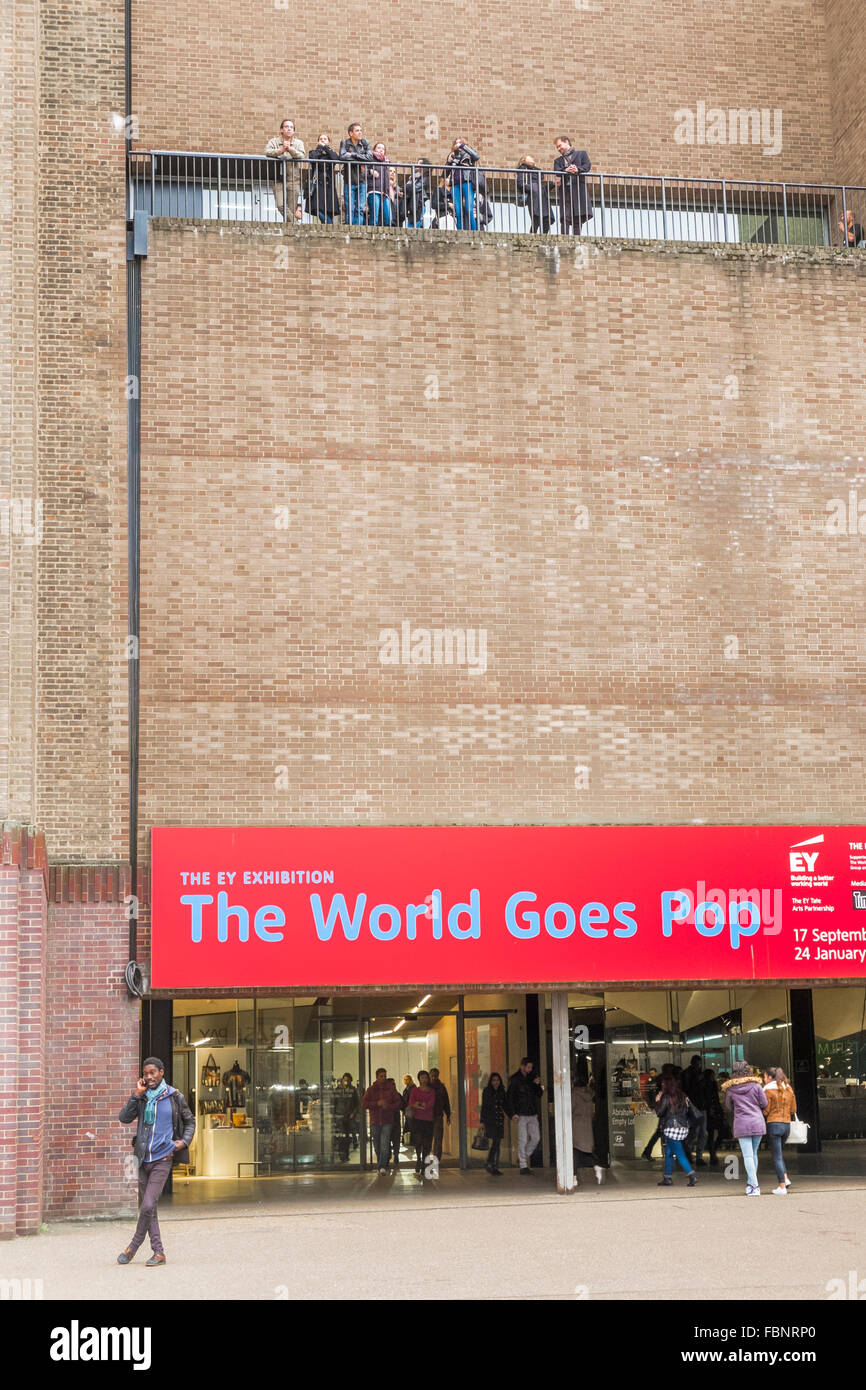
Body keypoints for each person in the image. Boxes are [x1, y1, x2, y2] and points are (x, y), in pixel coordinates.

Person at [117, 1057, 195, 1266]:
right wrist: (136, 1095)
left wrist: (183, 1142)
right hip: (142, 1158)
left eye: (153, 1073)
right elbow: (124, 1118)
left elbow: (189, 1121)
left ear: (161, 1072)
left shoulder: (174, 1096)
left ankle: (133, 1246)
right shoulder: (141, 1098)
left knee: (148, 1204)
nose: (149, 1077)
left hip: (163, 1157)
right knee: (149, 1208)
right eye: (146, 1073)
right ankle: (158, 1252)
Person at [722, 1060, 769, 1195]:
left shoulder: (730, 1089)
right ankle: (750, 1183)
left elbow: (729, 1106)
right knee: (753, 1154)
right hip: (757, 1122)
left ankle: (755, 1186)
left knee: (748, 1155)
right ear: (748, 1070)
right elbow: (764, 1103)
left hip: (742, 1123)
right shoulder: (756, 1086)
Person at [655, 1074, 697, 1187]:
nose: (662, 1085)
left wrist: (658, 1101)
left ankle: (691, 1175)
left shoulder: (666, 1097)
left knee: (680, 1154)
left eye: (663, 1084)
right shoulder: (682, 1095)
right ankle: (667, 1177)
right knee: (669, 1152)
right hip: (683, 1128)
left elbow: (659, 1113)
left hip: (671, 1129)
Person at [763, 1066, 796, 1194]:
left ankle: (782, 1187)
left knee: (776, 1156)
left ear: (770, 1077)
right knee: (779, 1154)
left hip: (774, 1124)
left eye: (765, 1076)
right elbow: (793, 1109)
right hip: (786, 1125)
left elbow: (766, 1110)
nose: (764, 1079)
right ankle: (786, 1178)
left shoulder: (768, 1090)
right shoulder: (789, 1089)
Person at [264, 119, 306, 222]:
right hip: (278, 178)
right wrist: (281, 150)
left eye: (291, 127)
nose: (289, 129)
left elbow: (302, 155)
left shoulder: (298, 143)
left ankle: (291, 229)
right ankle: (296, 225)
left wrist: (291, 150)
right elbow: (267, 152)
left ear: (294, 131)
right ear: (281, 130)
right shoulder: (274, 141)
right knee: (280, 205)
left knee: (291, 209)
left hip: (293, 179)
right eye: (286, 127)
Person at [507, 1057, 543, 1174]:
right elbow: (510, 1098)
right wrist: (513, 1114)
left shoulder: (532, 1078)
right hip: (521, 1113)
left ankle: (522, 1157)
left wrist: (537, 1084)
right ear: (522, 1066)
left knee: (536, 1138)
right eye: (528, 1067)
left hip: (533, 1112)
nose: (529, 1069)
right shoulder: (515, 1079)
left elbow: (539, 1094)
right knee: (522, 1139)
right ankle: (523, 1165)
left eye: (531, 1068)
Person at [362, 1068, 402, 1173]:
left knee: (385, 1143)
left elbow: (398, 1103)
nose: (383, 1078)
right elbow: (364, 1103)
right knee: (376, 1144)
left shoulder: (391, 1089)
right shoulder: (371, 1089)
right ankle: (382, 1161)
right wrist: (377, 1103)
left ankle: (382, 1166)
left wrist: (388, 1106)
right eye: (381, 1076)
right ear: (377, 1077)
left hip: (387, 1121)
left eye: (384, 1076)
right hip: (375, 1121)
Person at [571, 1060, 603, 1185]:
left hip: (575, 1125)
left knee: (574, 1151)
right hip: (587, 1126)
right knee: (584, 1151)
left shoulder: (573, 1094)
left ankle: (573, 1178)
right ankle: (596, 1166)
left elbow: (570, 1109)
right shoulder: (589, 1094)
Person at [553, 136, 592, 234]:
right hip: (565, 190)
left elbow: (587, 166)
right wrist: (565, 170)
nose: (558, 149)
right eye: (557, 147)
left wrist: (577, 169)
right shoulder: (558, 160)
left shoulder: (581, 154)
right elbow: (556, 171)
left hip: (578, 189)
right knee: (565, 216)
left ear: (566, 142)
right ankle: (564, 237)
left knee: (577, 215)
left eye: (559, 146)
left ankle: (577, 239)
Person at [339, 122, 372, 225]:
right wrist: (360, 158)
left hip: (362, 180)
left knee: (360, 208)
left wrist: (353, 154)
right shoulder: (345, 142)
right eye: (357, 130)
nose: (360, 132)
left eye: (361, 130)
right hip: (349, 180)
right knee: (349, 208)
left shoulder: (365, 143)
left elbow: (369, 158)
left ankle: (358, 229)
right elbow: (343, 156)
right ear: (351, 133)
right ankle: (350, 229)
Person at [445, 138, 480, 230]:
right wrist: (448, 162)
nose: (458, 144)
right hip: (455, 184)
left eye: (460, 143)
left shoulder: (468, 153)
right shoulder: (452, 155)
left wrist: (463, 147)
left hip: (467, 182)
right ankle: (460, 232)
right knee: (458, 211)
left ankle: (474, 232)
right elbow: (445, 173)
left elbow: (476, 157)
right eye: (456, 143)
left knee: (469, 210)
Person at [306, 133, 341, 224]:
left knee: (329, 211)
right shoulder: (313, 152)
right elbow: (312, 157)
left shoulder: (331, 154)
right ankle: (331, 225)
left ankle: (329, 228)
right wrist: (320, 149)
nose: (322, 140)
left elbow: (336, 159)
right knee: (317, 208)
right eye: (321, 139)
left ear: (329, 142)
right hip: (317, 185)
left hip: (329, 186)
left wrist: (326, 148)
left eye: (325, 139)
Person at [407, 1069, 437, 1178]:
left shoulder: (432, 1091)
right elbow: (411, 1103)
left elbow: (430, 1104)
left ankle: (424, 1163)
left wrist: (420, 1104)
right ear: (419, 1079)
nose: (424, 1080)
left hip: (428, 1120)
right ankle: (419, 1159)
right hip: (417, 1119)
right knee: (418, 1141)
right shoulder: (415, 1090)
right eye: (422, 1077)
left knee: (427, 1143)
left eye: (426, 1077)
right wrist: (419, 1105)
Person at [480, 1071, 508, 1175]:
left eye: (497, 1080)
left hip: (499, 1120)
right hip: (490, 1121)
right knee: (496, 1143)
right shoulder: (487, 1091)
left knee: (497, 1143)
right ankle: (491, 1164)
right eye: (494, 1080)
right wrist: (482, 1121)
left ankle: (493, 1165)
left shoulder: (502, 1091)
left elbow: (506, 1105)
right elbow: (484, 1107)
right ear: (491, 1081)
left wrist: (511, 1115)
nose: (496, 1082)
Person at [682, 1054, 707, 1165]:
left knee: (696, 1131)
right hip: (697, 1106)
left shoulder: (688, 1073)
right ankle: (695, 1155)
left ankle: (691, 1153)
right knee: (698, 1131)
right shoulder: (694, 1075)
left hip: (696, 1105)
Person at [516, 156, 553, 233]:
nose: (533, 158)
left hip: (542, 197)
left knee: (546, 219)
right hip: (533, 197)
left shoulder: (537, 172)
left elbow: (543, 188)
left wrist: (553, 184)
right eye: (530, 158)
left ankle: (544, 239)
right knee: (536, 218)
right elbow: (520, 184)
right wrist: (533, 187)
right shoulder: (523, 169)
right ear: (524, 160)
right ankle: (532, 236)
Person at [333, 1072, 360, 1163]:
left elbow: (357, 1103)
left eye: (348, 1080)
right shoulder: (337, 1090)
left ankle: (346, 1154)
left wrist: (353, 1113)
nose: (346, 1082)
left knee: (347, 1137)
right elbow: (334, 1103)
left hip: (349, 1116)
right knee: (342, 1136)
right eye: (345, 1080)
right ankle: (342, 1155)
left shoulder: (353, 1090)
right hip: (340, 1116)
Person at [366, 142, 392, 227]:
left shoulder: (386, 161)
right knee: (374, 217)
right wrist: (370, 171)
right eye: (379, 148)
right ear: (374, 149)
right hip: (374, 190)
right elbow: (363, 172)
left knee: (388, 218)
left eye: (383, 148)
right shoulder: (370, 159)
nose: (381, 150)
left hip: (385, 192)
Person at [702, 1068, 724, 1166]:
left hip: (710, 1111)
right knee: (717, 1132)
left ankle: (712, 1151)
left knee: (712, 1133)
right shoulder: (710, 1085)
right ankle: (712, 1152)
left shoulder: (705, 1085)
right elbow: (715, 1098)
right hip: (713, 1111)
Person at [429, 1066, 451, 1160]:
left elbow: (446, 1101)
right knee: (428, 1138)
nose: (434, 1078)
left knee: (438, 1138)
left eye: (435, 1076)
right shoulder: (426, 1087)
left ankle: (437, 1157)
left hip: (438, 1115)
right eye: (432, 1076)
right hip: (427, 1116)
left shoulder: (441, 1087)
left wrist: (448, 1114)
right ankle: (427, 1157)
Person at [403, 158, 433, 227]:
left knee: (417, 221)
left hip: (419, 202)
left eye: (420, 163)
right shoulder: (413, 176)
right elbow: (408, 187)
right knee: (410, 222)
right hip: (411, 202)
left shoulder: (426, 176)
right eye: (418, 163)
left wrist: (406, 187)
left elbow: (416, 187)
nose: (418, 164)